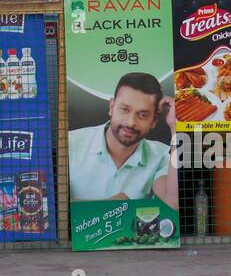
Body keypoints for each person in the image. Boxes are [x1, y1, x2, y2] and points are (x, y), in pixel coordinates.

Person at [68, 72, 177, 208]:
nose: (131, 122)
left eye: (142, 115)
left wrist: (175, 129)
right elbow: (52, 204)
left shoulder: (161, 156)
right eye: (125, 109)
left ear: (154, 121)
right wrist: (108, 207)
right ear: (112, 107)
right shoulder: (70, 144)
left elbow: (173, 203)